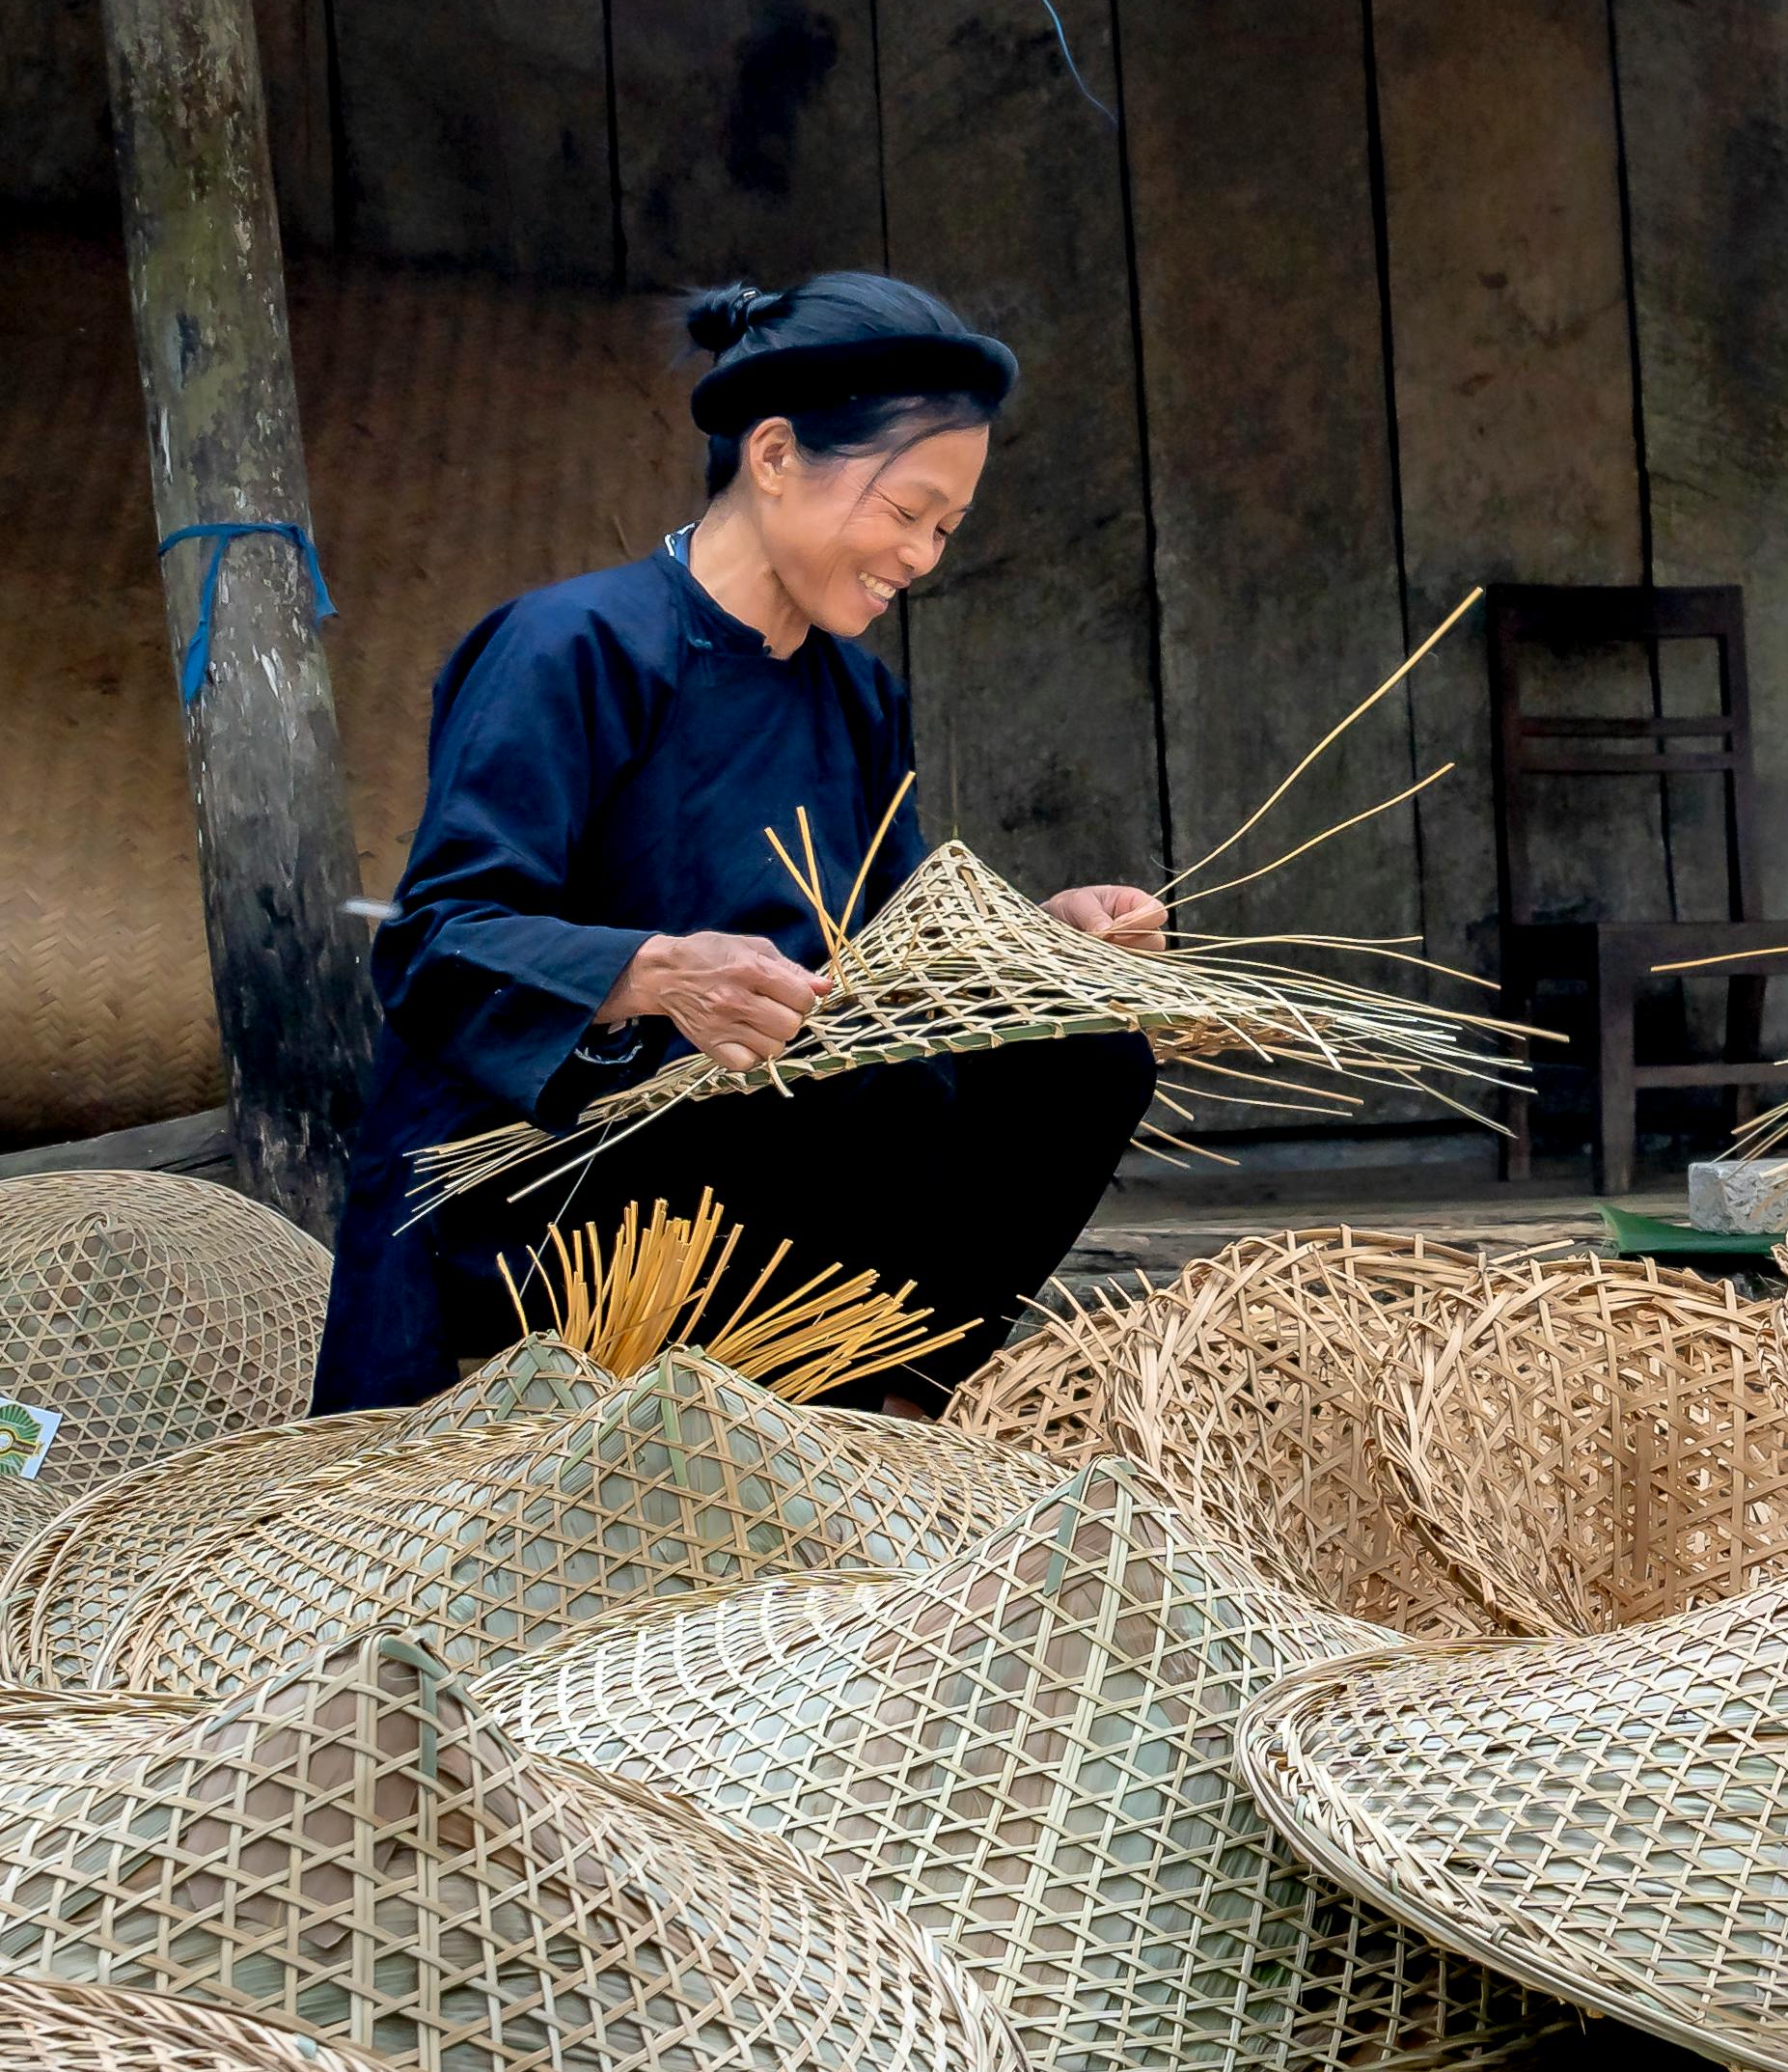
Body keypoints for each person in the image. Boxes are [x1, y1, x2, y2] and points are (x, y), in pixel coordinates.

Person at [311, 273, 1171, 1413]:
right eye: (905, 510)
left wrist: (1039, 946)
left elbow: (900, 948)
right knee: (833, 1088)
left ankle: (891, 1404)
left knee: (1086, 1058)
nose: (923, 556)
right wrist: (655, 975)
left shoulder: (859, 698)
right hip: (554, 1183)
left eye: (947, 529)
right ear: (773, 457)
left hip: (785, 1154)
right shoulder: (571, 647)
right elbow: (437, 946)